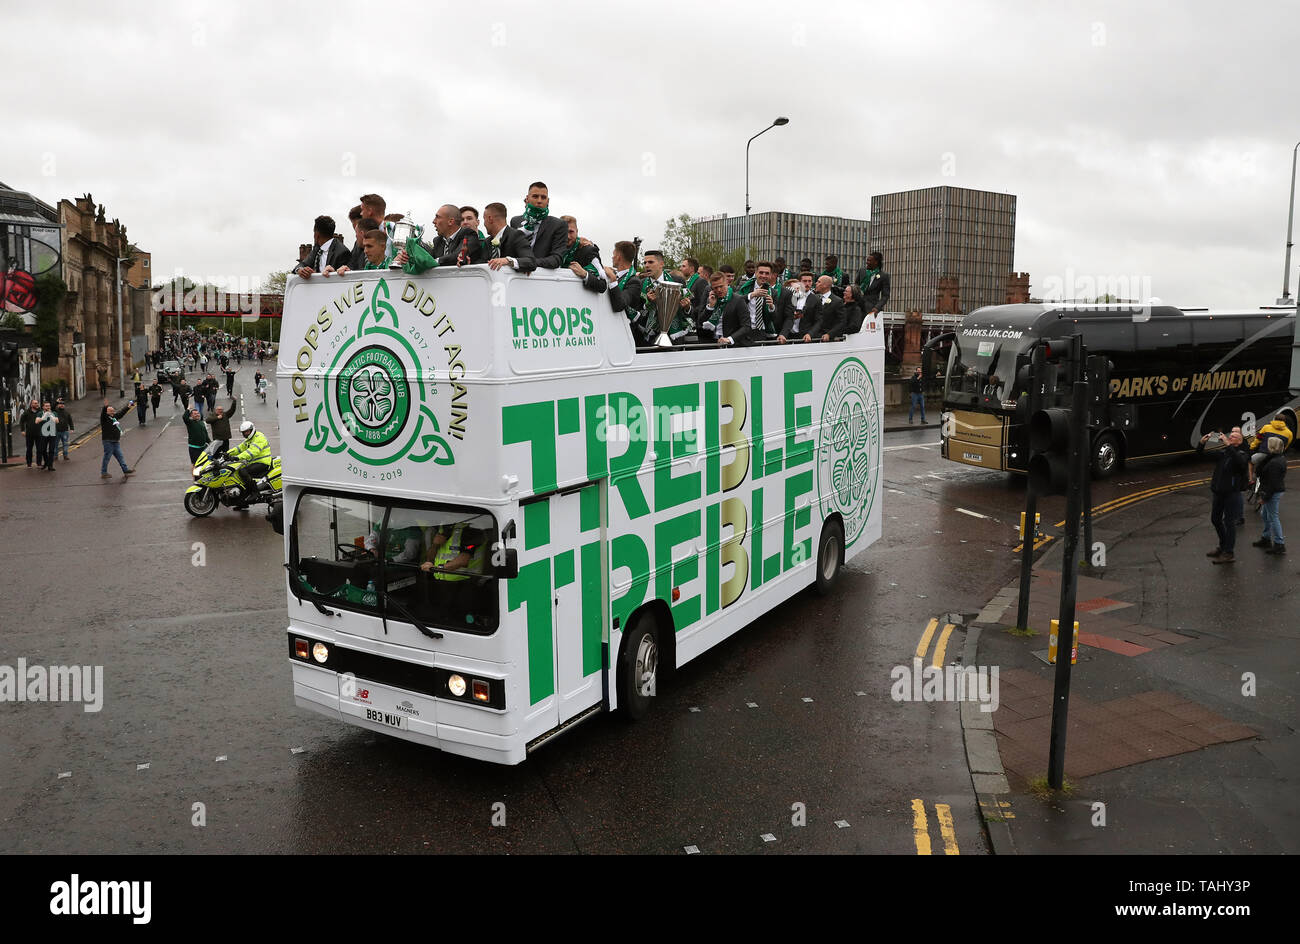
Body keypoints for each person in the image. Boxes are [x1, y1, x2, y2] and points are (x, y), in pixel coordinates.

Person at [1197, 429, 1248, 564]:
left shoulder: (1242, 454)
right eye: (1229, 436)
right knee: (1215, 519)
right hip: (1218, 492)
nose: (1230, 437)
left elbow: (1241, 464)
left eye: (1234, 437)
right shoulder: (1223, 453)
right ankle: (1223, 546)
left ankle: (1229, 553)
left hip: (1232, 494)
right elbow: (1201, 456)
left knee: (1229, 522)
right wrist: (1202, 443)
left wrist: (1229, 446)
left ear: (1239, 441)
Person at [492, 181, 568, 272]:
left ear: (548, 201)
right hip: (515, 276)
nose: (539, 201)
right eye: (535, 196)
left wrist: (525, 264)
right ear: (527, 199)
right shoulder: (515, 221)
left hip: (541, 277)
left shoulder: (559, 225)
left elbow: (556, 259)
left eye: (543, 197)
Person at [397, 203, 486, 271]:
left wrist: (435, 261)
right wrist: (409, 257)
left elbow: (457, 255)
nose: (433, 221)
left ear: (450, 221)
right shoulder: (438, 241)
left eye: (437, 217)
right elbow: (428, 257)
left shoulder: (469, 234)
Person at [1252, 436, 1287, 555]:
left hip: (1272, 492)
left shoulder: (1274, 463)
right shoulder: (1275, 458)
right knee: (1265, 514)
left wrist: (1264, 498)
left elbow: (1272, 483)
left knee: (1273, 517)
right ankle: (1266, 538)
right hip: (1273, 490)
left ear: (1272, 447)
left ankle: (1279, 544)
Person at [228, 420, 271, 502]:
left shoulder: (259, 437)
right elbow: (239, 448)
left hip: (263, 462)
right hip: (254, 462)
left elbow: (252, 452)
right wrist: (227, 454)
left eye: (247, 432)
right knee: (236, 471)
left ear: (252, 430)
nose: (245, 434)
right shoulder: (249, 439)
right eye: (243, 432)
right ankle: (242, 499)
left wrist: (237, 457)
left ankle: (255, 493)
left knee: (243, 471)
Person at [710, 272, 757, 347]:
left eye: (721, 286)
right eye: (715, 288)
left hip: (734, 346)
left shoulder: (738, 300)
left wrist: (730, 339)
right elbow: (701, 322)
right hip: (713, 344)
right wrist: (710, 307)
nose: (719, 290)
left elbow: (746, 326)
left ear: (727, 284)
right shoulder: (711, 299)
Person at [296, 214, 351, 278]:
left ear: (317, 234)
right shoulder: (317, 248)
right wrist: (300, 270)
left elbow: (342, 277)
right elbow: (303, 264)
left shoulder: (342, 252)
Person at [99, 403, 133, 478]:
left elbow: (121, 413)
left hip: (115, 441)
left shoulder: (114, 417)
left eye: (113, 411)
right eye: (111, 411)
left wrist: (127, 407)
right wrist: (105, 406)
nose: (113, 413)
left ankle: (125, 470)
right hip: (108, 441)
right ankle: (104, 473)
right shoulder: (104, 418)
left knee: (120, 456)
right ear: (107, 412)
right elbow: (103, 413)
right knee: (107, 457)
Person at [855, 251, 890, 319]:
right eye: (867, 260)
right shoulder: (862, 271)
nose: (867, 262)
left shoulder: (883, 276)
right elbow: (856, 286)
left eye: (869, 260)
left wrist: (877, 307)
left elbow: (885, 295)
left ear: (876, 262)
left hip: (871, 309)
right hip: (858, 307)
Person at [36, 401, 58, 471]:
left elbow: (57, 421)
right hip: (43, 434)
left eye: (49, 406)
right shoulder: (40, 413)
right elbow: (36, 421)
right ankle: (46, 463)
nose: (48, 407)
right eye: (46, 406)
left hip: (52, 434)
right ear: (43, 407)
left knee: (51, 450)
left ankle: (50, 465)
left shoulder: (54, 413)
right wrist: (44, 417)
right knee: (42, 450)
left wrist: (51, 415)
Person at [18, 398, 40, 468]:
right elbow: (21, 421)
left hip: (39, 433)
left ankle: (39, 463)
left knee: (39, 449)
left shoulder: (40, 412)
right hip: (29, 434)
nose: (37, 404)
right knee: (29, 449)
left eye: (37, 403)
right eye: (35, 403)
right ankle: (29, 463)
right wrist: (22, 430)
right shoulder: (26, 412)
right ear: (31, 405)